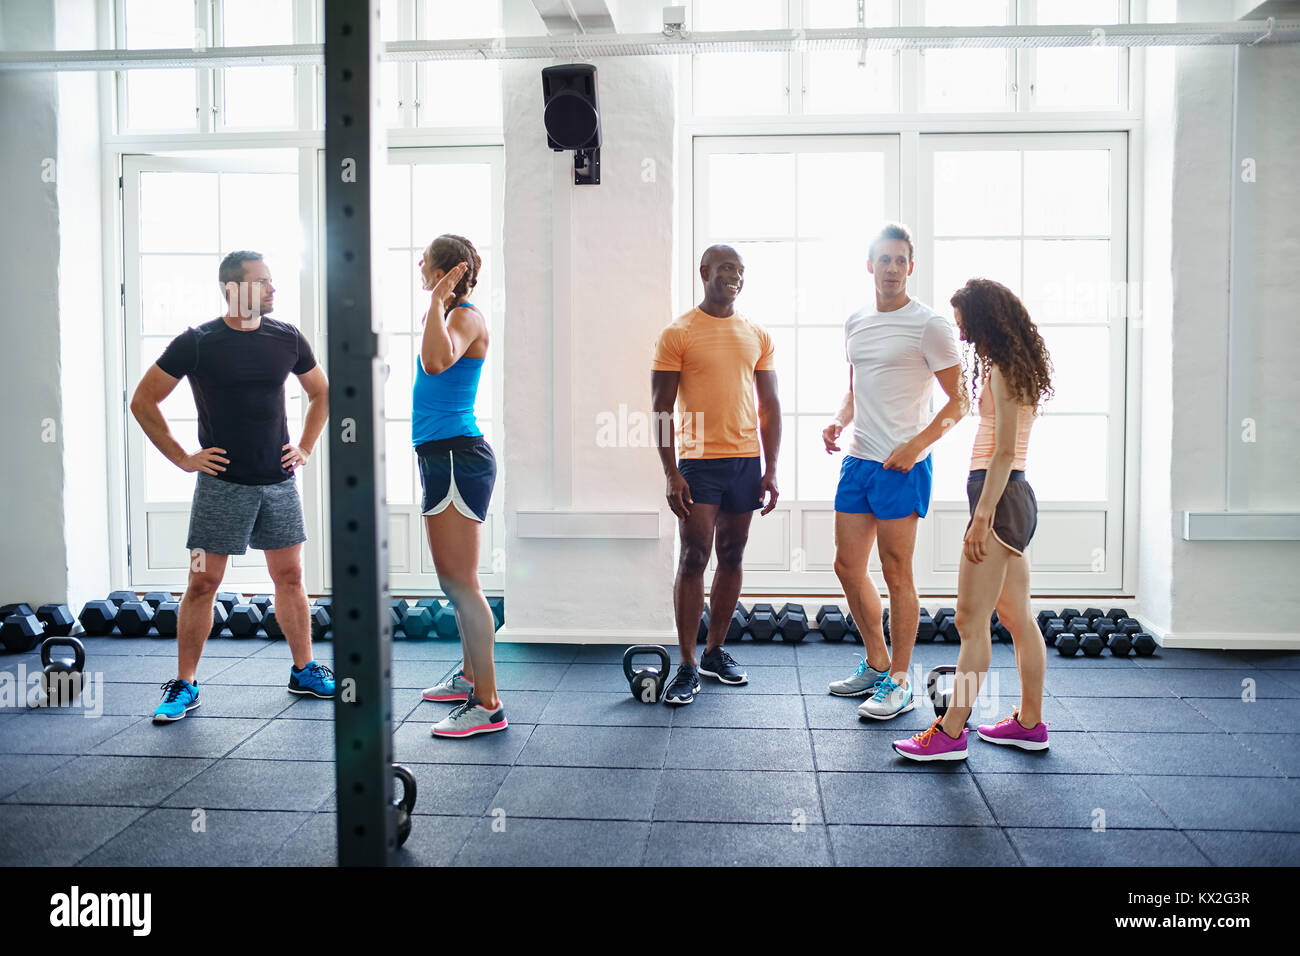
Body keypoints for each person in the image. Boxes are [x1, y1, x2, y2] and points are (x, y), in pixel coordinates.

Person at [131, 251, 333, 723]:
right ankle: (185, 683)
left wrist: (303, 446)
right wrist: (182, 457)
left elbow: (322, 392)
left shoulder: (286, 337)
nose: (271, 289)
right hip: (221, 488)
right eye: (261, 282)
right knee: (202, 582)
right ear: (231, 288)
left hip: (278, 484)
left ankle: (303, 670)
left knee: (291, 578)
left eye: (270, 280)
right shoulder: (197, 342)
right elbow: (144, 400)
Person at [893, 277, 1052, 761]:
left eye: (962, 318)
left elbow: (1003, 453)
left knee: (969, 619)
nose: (958, 327)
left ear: (983, 318)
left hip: (999, 498)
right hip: (1013, 496)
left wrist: (981, 519)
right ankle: (1029, 723)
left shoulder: (1003, 370)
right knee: (1016, 616)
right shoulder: (1014, 366)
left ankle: (950, 733)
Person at [823, 223, 964, 719]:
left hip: (901, 466)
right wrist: (839, 421)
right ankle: (878, 662)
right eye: (883, 259)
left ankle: (901, 683)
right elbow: (857, 386)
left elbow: (959, 402)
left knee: (896, 572)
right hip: (858, 460)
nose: (891, 268)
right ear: (869, 265)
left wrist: (916, 445)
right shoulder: (856, 321)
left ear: (911, 266)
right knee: (847, 567)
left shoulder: (929, 325)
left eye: (900, 260)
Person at [651, 244, 780, 706]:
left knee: (732, 552)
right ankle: (685, 664)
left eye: (740, 271)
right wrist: (671, 472)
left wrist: (771, 469)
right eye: (726, 268)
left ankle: (714, 651)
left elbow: (770, 407)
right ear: (704, 271)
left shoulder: (756, 334)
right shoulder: (678, 333)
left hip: (746, 460)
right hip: (698, 463)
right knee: (694, 555)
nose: (735, 277)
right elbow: (661, 408)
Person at [412, 235, 505, 738]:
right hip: (442, 455)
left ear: (446, 270)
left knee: (462, 582)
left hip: (455, 456)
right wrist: (437, 305)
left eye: (425, 258)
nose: (417, 264)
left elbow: (435, 364)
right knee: (453, 581)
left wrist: (436, 301)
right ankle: (469, 676)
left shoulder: (463, 317)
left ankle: (487, 703)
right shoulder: (452, 316)